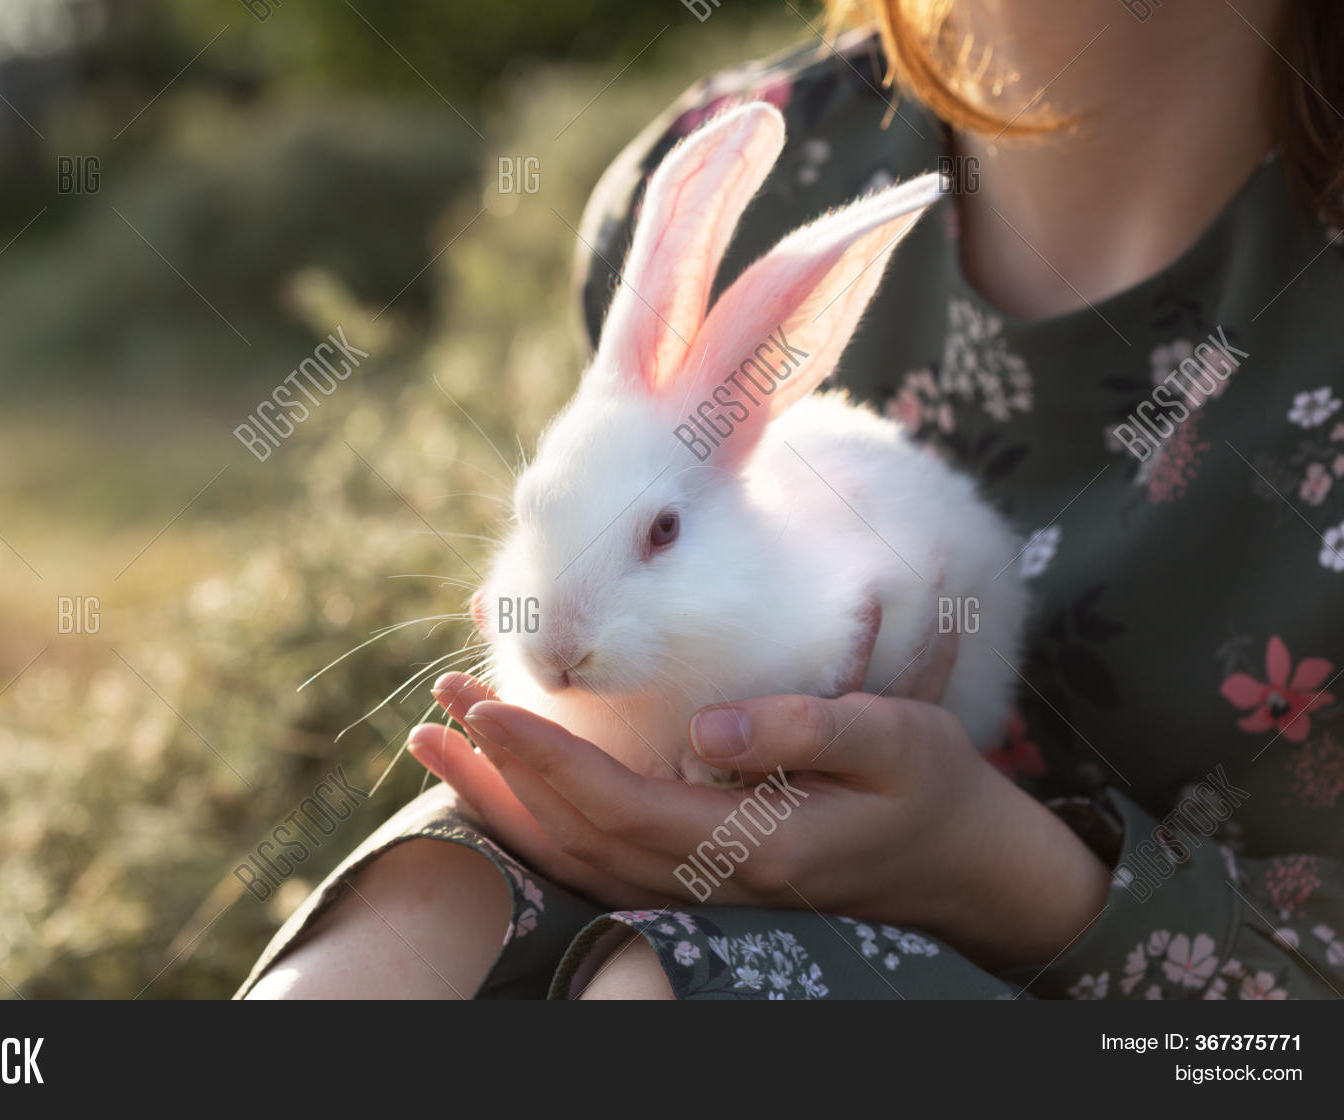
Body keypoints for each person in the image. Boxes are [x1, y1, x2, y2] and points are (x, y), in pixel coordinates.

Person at [241, 0, 1344, 1000]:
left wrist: (994, 870)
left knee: (655, 991)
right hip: (675, 884)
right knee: (384, 950)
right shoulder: (755, 149)